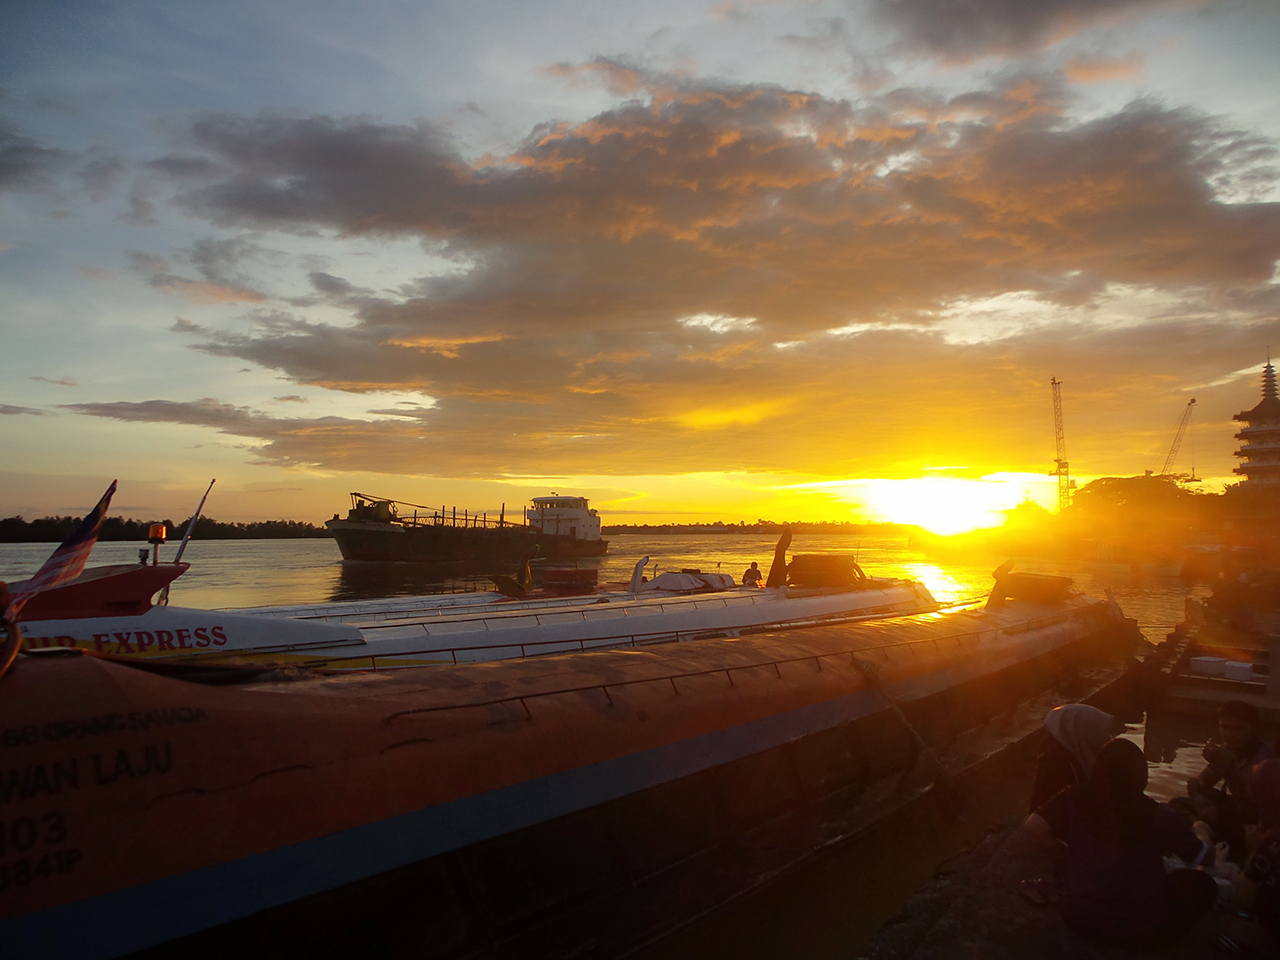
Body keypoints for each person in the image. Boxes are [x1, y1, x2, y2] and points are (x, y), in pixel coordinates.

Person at [1026, 738, 1217, 949]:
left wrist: (1063, 852)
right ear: (1141, 775)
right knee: (1204, 886)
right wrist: (1201, 830)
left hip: (1076, 917)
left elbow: (1033, 825)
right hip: (1140, 930)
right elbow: (1205, 857)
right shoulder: (1160, 816)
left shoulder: (1075, 796)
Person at [1188, 700, 1275, 859]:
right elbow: (1202, 783)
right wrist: (1203, 803)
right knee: (1185, 797)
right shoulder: (1228, 749)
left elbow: (1259, 804)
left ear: (1252, 729)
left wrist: (1228, 769)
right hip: (1237, 808)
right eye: (1224, 727)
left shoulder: (1264, 758)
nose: (1229, 733)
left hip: (1258, 819)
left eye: (1238, 728)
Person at [1028, 704, 1114, 813]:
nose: (1108, 737)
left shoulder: (1086, 755)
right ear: (1082, 730)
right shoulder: (1057, 768)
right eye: (1103, 732)